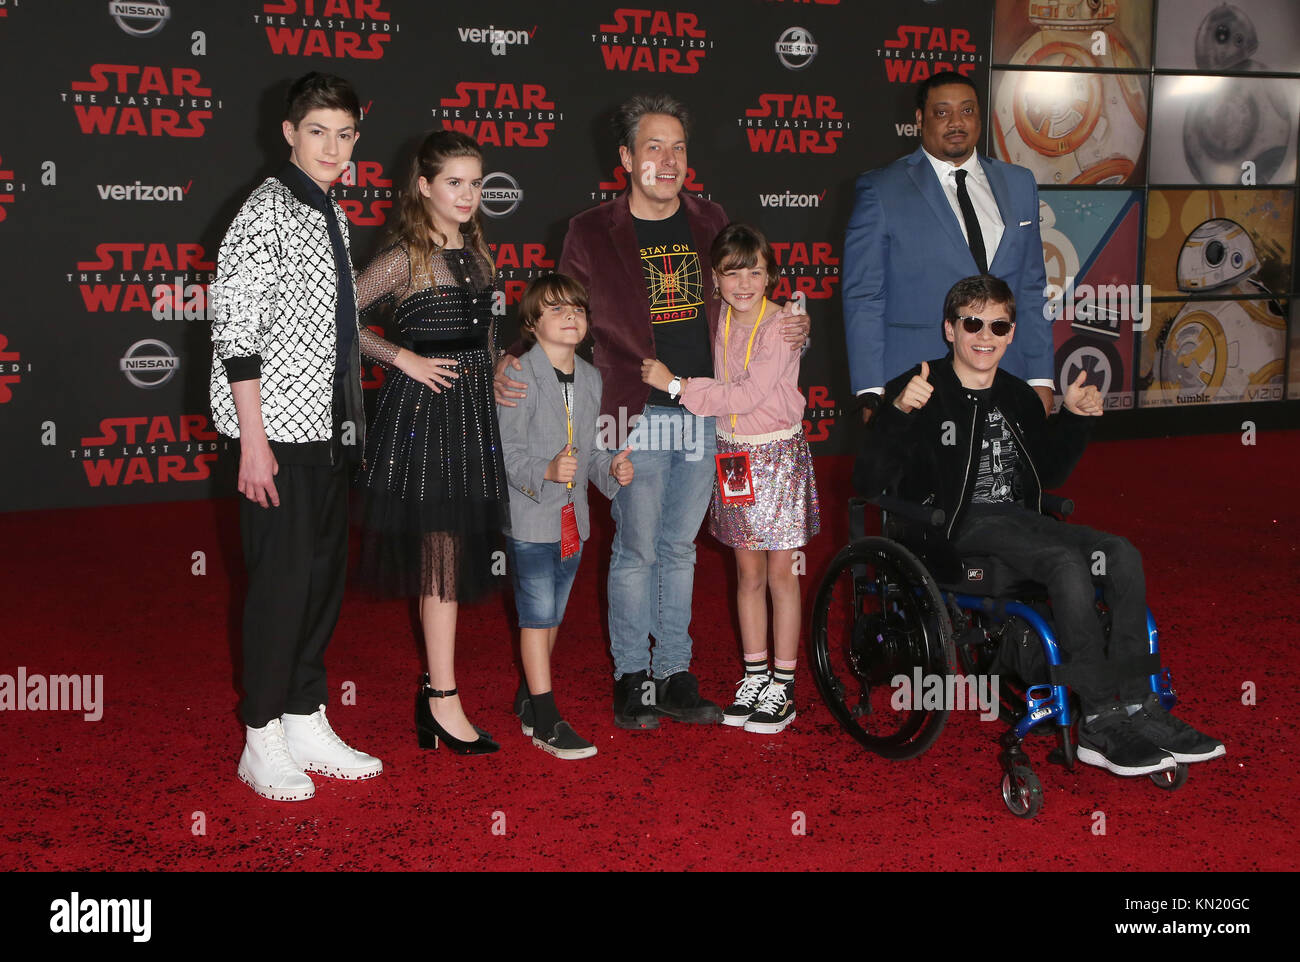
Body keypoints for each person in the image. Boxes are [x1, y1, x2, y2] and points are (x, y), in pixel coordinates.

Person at [494, 93, 810, 731]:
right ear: (626, 157)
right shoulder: (589, 229)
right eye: (653, 147)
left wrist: (790, 321)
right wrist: (514, 357)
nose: (668, 161)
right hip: (628, 411)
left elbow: (743, 301)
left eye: (678, 147)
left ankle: (675, 671)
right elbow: (562, 312)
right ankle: (631, 675)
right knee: (635, 547)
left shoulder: (709, 217)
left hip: (702, 410)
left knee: (680, 548)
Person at [855, 274, 1225, 777]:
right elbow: (868, 480)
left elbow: (1047, 474)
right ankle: (1098, 717)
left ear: (1010, 334)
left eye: (998, 325)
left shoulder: (1019, 397)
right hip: (955, 526)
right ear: (950, 329)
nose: (984, 336)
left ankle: (1142, 706)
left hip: (1022, 520)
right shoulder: (919, 388)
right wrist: (898, 413)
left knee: (1120, 553)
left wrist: (1073, 417)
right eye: (972, 323)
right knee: (1064, 563)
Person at [209, 72, 382, 801]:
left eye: (344, 135)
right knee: (280, 587)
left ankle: (305, 712)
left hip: (327, 431)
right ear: (289, 133)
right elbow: (236, 336)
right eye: (318, 132)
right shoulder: (265, 211)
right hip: (273, 434)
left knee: (319, 582)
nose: (332, 147)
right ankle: (261, 736)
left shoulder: (330, 213)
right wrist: (253, 441)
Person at [352, 130, 508, 755]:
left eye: (475, 183)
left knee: (454, 555)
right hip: (422, 419)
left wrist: (495, 374)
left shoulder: (480, 253)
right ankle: (442, 698)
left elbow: (488, 338)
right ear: (423, 187)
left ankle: (436, 697)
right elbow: (339, 318)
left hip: (472, 417)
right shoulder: (403, 256)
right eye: (454, 183)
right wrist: (402, 358)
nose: (468, 194)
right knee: (441, 559)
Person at [641, 224, 820, 733]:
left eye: (755, 271)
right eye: (731, 272)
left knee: (782, 576)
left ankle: (783, 685)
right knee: (747, 575)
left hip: (778, 457)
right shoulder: (715, 317)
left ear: (771, 276)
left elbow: (746, 395)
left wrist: (675, 385)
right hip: (733, 457)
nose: (744, 283)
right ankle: (756, 675)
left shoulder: (783, 325)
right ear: (714, 279)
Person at [843, 72, 1054, 419]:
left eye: (967, 111)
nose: (957, 122)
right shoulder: (881, 190)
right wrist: (870, 391)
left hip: (1008, 375)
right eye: (942, 113)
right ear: (919, 119)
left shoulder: (1019, 183)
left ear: (980, 118)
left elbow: (1032, 288)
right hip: (919, 379)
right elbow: (865, 296)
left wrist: (1041, 377)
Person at [498, 274, 635, 759]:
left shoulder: (592, 376)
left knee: (553, 614)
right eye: (556, 309)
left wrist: (612, 468)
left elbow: (591, 452)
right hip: (532, 515)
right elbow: (508, 456)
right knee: (537, 617)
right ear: (532, 325)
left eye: (577, 308)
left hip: (573, 518)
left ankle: (527, 700)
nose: (571, 316)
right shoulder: (516, 374)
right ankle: (546, 719)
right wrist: (548, 470)